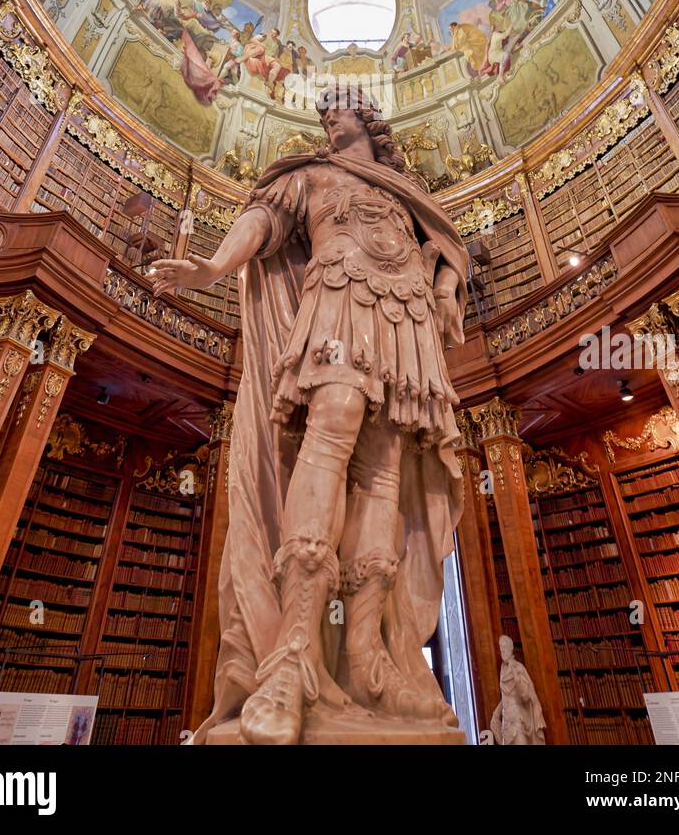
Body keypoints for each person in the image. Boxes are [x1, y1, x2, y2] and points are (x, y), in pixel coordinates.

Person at [151, 87, 467, 745]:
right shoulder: (307, 175)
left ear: (369, 120)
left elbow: (444, 247)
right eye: (323, 112)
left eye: (339, 110)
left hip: (403, 315)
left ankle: (366, 660)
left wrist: (443, 292)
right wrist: (212, 267)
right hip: (338, 299)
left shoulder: (400, 187)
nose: (327, 118)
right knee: (330, 430)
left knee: (382, 470)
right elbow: (264, 222)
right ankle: (291, 656)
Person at [490, 634, 546, 745]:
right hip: (507, 720)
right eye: (501, 648)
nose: (502, 650)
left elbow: (525, 696)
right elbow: (506, 696)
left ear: (511, 649)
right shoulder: (503, 670)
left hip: (518, 718)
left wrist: (517, 679)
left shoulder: (518, 668)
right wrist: (497, 712)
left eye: (504, 647)